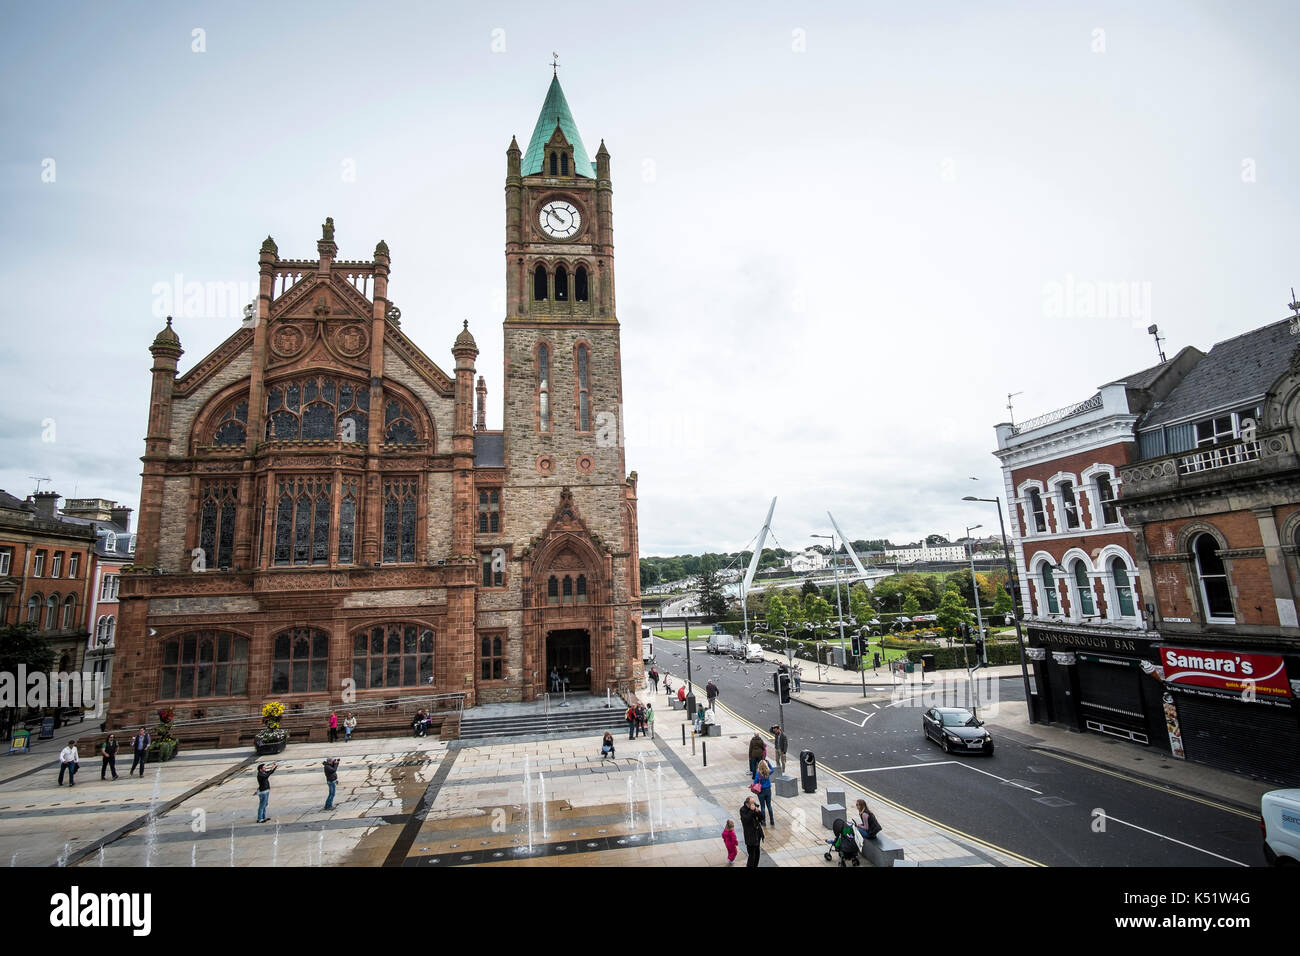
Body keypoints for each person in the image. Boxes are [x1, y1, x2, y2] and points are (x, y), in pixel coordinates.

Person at [739, 794, 765, 867]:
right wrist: (751, 811)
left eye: (754, 802)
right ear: (747, 804)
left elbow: (762, 818)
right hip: (750, 836)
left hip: (757, 835)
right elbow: (746, 820)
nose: (754, 804)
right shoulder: (743, 810)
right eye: (752, 803)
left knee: (757, 854)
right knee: (752, 856)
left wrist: (758, 812)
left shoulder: (754, 807)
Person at [753, 758, 775, 826]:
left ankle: (763, 821)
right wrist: (769, 764)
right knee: (769, 806)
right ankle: (772, 820)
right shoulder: (768, 771)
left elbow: (755, 782)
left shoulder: (758, 773)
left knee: (762, 807)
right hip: (768, 790)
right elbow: (773, 770)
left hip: (761, 791)